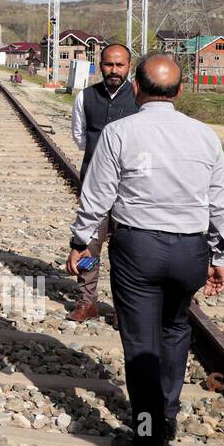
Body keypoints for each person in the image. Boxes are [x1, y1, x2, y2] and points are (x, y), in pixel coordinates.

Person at [68, 53, 224, 446]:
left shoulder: (118, 132)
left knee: (141, 346)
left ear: (137, 89)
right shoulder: (205, 135)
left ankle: (147, 441)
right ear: (180, 92)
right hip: (191, 250)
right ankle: (168, 417)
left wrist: (80, 242)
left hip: (138, 249)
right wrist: (219, 255)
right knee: (176, 330)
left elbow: (97, 197)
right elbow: (222, 203)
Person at [67, 42, 138, 322]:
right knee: (88, 246)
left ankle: (124, 307)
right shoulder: (85, 97)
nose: (114, 70)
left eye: (120, 65)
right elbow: (79, 137)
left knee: (127, 252)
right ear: (100, 64)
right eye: (109, 64)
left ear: (129, 67)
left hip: (130, 188)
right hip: (94, 185)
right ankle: (87, 301)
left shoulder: (139, 97)